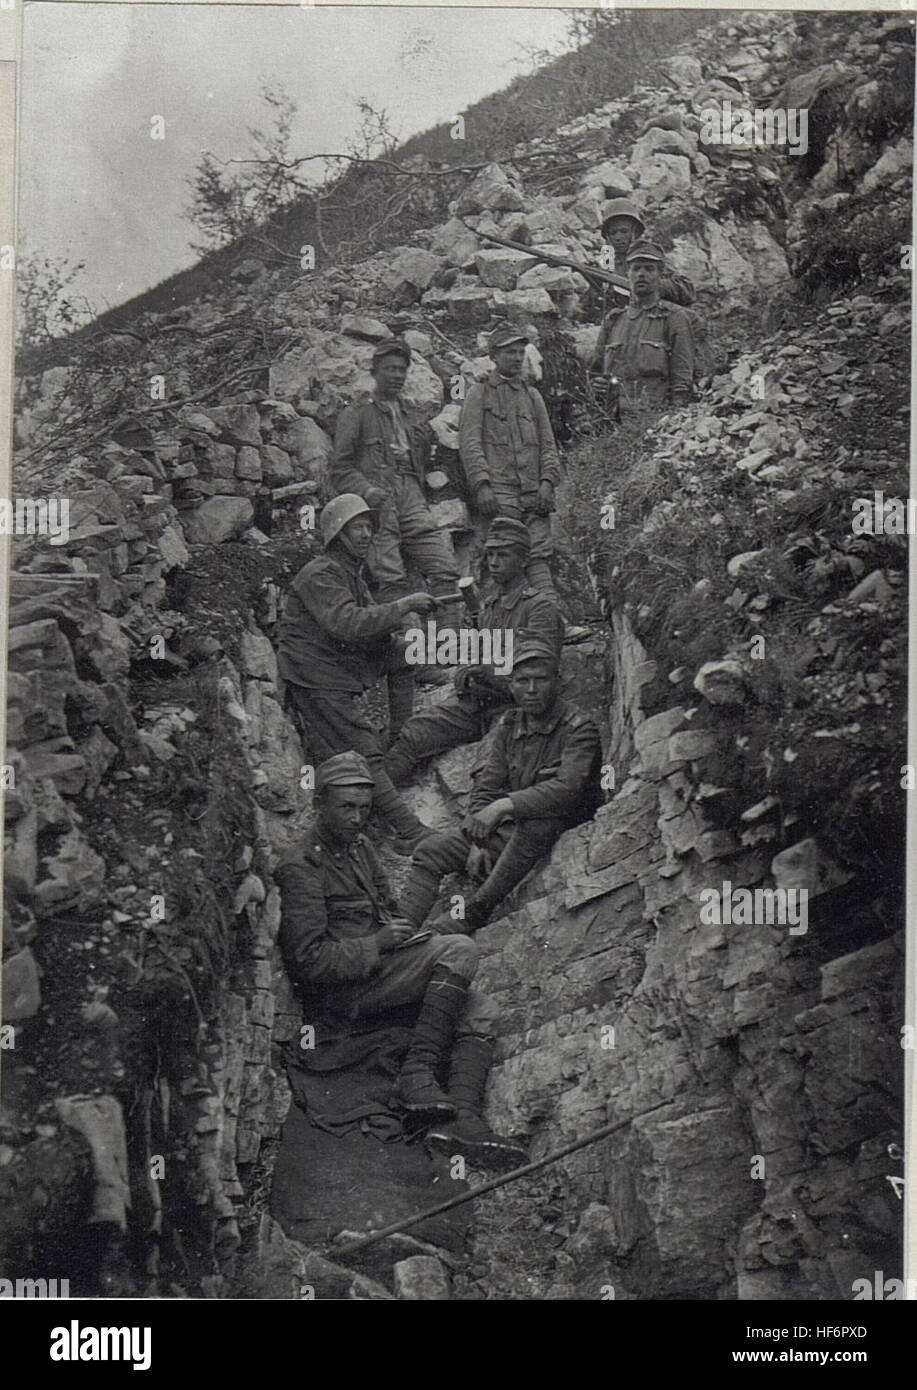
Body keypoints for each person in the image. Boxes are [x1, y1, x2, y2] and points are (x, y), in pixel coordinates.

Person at [275, 750, 526, 1167]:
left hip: (380, 977)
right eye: (346, 808)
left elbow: (388, 910)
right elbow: (308, 962)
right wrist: (377, 943)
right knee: (460, 951)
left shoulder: (360, 849)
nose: (356, 818)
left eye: (364, 808)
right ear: (319, 805)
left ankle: (462, 1124)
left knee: (482, 1008)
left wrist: (407, 936)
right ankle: (416, 1075)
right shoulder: (302, 866)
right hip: (345, 993)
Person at [400, 638, 602, 936]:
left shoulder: (578, 728)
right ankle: (400, 931)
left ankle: (477, 910)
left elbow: (567, 789)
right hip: (512, 829)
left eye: (540, 680)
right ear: (511, 686)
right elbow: (487, 783)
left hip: (559, 828)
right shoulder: (509, 725)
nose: (531, 690)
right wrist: (477, 840)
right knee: (431, 850)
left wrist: (503, 806)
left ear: (556, 682)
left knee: (537, 822)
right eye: (522, 681)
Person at [275, 492, 435, 850]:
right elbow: (347, 624)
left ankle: (399, 737)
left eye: (368, 527)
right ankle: (411, 833)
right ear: (338, 534)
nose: (366, 534)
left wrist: (400, 630)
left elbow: (370, 626)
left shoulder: (352, 576)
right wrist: (404, 604)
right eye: (357, 527)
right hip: (315, 673)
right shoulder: (321, 573)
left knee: (404, 650)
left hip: (339, 662)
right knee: (363, 749)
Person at [386, 517, 564, 786]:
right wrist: (466, 671)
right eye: (490, 554)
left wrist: (487, 672)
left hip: (517, 708)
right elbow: (472, 655)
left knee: (491, 766)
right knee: (415, 732)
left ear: (524, 560)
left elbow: (537, 677)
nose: (493, 562)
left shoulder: (539, 609)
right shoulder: (489, 607)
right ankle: (372, 802)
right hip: (477, 703)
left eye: (503, 555)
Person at [331, 337, 461, 625]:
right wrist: (367, 490)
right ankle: (405, 658)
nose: (397, 376)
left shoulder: (409, 412)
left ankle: (450, 647)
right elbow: (339, 468)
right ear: (375, 372)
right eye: (390, 369)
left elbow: (424, 453)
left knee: (444, 568)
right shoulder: (357, 413)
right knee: (389, 578)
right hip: (377, 504)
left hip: (411, 495)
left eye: (402, 370)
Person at [458, 324, 562, 602]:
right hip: (499, 495)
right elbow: (470, 444)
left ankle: (548, 622)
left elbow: (549, 446)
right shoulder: (478, 394)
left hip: (533, 495)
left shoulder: (532, 396)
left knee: (539, 558)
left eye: (520, 352)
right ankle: (498, 629)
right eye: (509, 352)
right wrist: (482, 486)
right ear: (493, 356)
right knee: (499, 560)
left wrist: (547, 483)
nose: (517, 358)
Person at [590, 240, 696, 413]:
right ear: (627, 273)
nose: (641, 274)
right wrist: (597, 385)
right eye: (636, 268)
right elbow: (594, 374)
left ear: (660, 275)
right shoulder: (613, 320)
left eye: (649, 268)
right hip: (612, 421)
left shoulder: (674, 319)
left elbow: (682, 384)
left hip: (655, 419)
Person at [599, 198, 695, 307]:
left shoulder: (648, 254)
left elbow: (687, 289)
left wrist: (650, 286)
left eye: (624, 231)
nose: (618, 237)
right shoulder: (607, 260)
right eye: (613, 233)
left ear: (635, 232)